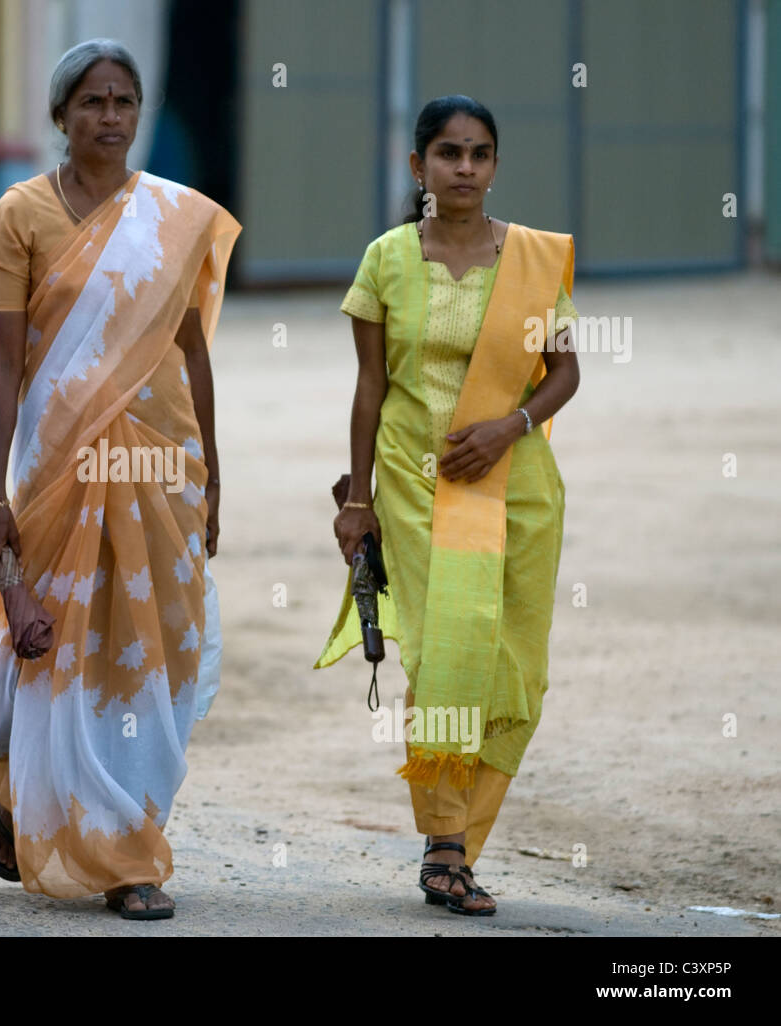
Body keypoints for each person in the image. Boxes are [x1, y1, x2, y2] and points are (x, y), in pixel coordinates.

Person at [0, 39, 240, 919]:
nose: (109, 117)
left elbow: (191, 351)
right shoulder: (22, 215)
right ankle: (122, 856)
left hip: (160, 460)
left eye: (123, 102)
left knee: (159, 642)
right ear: (60, 115)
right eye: (91, 102)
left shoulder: (173, 215)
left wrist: (213, 473)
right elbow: (2, 362)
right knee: (63, 639)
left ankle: (75, 799)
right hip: (56, 461)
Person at [317, 95, 580, 915]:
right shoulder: (388, 259)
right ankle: (445, 846)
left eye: (479, 154)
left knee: (515, 668)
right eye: (448, 154)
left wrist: (512, 425)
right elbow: (370, 389)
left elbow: (566, 372)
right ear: (418, 167)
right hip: (414, 479)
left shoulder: (532, 259)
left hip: (516, 485)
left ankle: (465, 835)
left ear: (495, 165)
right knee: (442, 657)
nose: (464, 168)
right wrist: (357, 500)